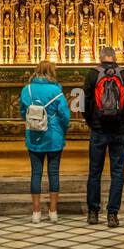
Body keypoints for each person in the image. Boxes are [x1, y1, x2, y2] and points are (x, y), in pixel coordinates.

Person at [83, 46, 124, 229]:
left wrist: (91, 123)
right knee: (117, 173)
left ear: (100, 58)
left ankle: (93, 212)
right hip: (120, 130)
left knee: (94, 172)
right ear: (115, 58)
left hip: (98, 131)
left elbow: (85, 103)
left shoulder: (92, 74)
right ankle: (112, 214)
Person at [19, 62, 71, 225]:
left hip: (34, 135)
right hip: (54, 137)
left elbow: (23, 112)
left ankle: (36, 213)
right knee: (53, 173)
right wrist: (62, 129)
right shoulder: (56, 91)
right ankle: (53, 212)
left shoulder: (26, 90)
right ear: (52, 72)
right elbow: (65, 115)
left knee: (36, 173)